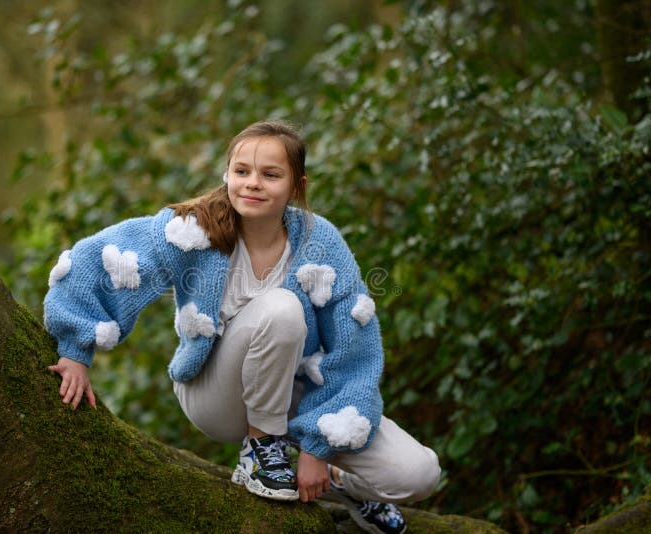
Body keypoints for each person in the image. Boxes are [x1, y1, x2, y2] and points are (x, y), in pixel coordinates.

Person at [43, 120, 441, 533]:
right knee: (283, 309)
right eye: (242, 171)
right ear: (227, 174)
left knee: (418, 473)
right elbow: (99, 261)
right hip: (216, 394)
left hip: (296, 395)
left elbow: (354, 349)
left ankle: (345, 486)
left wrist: (319, 449)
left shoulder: (320, 243)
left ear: (296, 186)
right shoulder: (193, 229)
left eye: (270, 175)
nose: (253, 184)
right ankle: (260, 451)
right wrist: (75, 350)